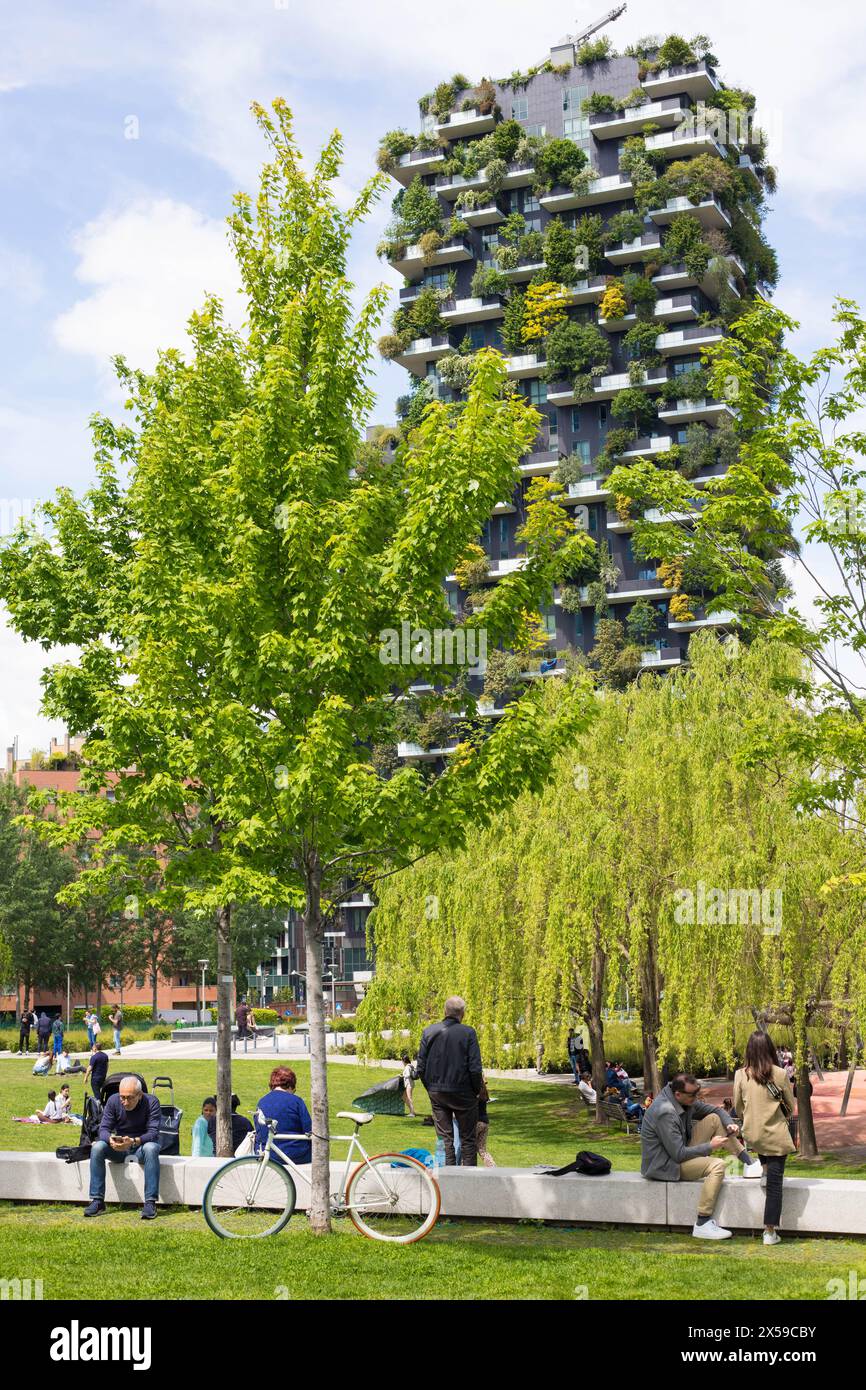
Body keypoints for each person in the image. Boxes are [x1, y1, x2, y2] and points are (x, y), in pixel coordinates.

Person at [641, 1072, 763, 1240]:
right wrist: (709, 1146)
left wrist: (729, 1124)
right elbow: (678, 1154)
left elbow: (715, 1111)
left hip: (677, 1154)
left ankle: (749, 1162)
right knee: (718, 1165)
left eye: (697, 1093)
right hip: (665, 1166)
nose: (696, 1098)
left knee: (713, 1118)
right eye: (693, 1095)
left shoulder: (684, 1100)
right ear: (678, 1094)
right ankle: (702, 1223)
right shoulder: (665, 1112)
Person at [733, 1031, 796, 1247]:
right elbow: (790, 1106)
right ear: (769, 1048)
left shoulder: (740, 1075)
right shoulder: (779, 1073)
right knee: (776, 1186)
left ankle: (765, 1171)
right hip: (775, 1135)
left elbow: (738, 1107)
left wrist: (752, 1117)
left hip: (752, 1133)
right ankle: (769, 1231)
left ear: (749, 1050)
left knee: (760, 1139)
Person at [416, 996, 483, 1167]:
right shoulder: (468, 1033)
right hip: (464, 1093)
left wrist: (430, 1088)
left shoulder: (428, 1032)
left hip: (437, 1093)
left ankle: (446, 1180)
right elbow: (475, 1068)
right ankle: (468, 1181)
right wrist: (476, 1091)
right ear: (463, 1014)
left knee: (445, 1140)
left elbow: (421, 1068)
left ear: (445, 1012)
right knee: (468, 1140)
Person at [84, 1075, 162, 1219]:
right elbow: (103, 1129)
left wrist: (133, 1141)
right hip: (119, 1148)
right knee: (97, 1148)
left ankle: (150, 1203)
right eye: (122, 1097)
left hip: (141, 1148)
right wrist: (111, 1140)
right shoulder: (113, 1100)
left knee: (151, 1148)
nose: (125, 1102)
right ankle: (97, 1200)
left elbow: (153, 1133)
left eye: (129, 1098)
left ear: (139, 1095)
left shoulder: (152, 1102)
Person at [254, 1067, 312, 1166]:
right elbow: (309, 1129)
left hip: (267, 1153)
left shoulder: (261, 1101)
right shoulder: (296, 1101)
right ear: (290, 1086)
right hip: (296, 1154)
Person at [476, 1076, 496, 1167]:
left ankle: (464, 1167)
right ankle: (492, 1167)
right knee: (482, 1149)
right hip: (485, 1123)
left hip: (476, 1123)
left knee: (468, 1147)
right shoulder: (484, 1092)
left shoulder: (475, 1093)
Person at [401, 1053, 417, 1118]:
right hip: (410, 1083)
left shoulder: (407, 1067)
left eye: (402, 1061)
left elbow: (407, 1075)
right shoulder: (410, 1066)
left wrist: (402, 1075)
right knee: (404, 1097)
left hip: (409, 1084)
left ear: (404, 1061)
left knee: (409, 1098)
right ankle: (412, 1110)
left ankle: (412, 1113)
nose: (402, 1062)